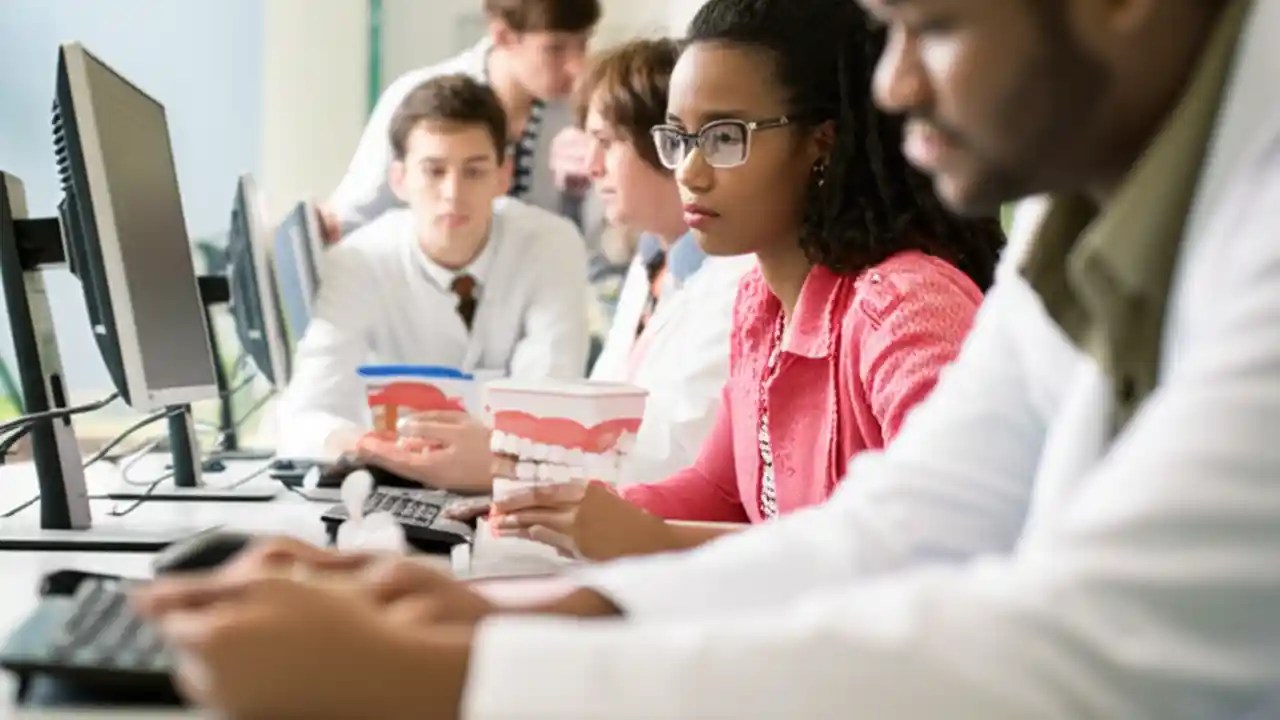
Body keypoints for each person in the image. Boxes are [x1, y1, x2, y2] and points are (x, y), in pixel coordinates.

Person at [138, 0, 1280, 717]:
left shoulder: (913, 300)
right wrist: (511, 622)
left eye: (930, 29)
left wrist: (443, 683)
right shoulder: (1077, 220)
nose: (891, 85)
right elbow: (904, 524)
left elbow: (1101, 663)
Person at [488, 0, 1004, 559]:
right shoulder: (760, 300)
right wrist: (565, 511)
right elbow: (720, 490)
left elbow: (945, 545)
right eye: (680, 139)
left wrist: (654, 538)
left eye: (724, 138)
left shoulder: (903, 303)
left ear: (821, 143)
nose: (689, 171)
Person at [277, 75, 589, 462]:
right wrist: (363, 445)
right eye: (433, 170)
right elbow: (302, 416)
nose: (453, 193)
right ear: (399, 179)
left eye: (473, 171)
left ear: (503, 175)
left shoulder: (552, 246)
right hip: (390, 479)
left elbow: (548, 404)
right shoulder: (358, 261)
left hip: (511, 483)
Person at [324, 0, 601, 238]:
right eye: (555, 49)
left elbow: (602, 242)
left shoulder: (585, 111)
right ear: (502, 36)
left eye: (584, 43)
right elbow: (352, 219)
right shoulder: (420, 102)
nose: (577, 66)